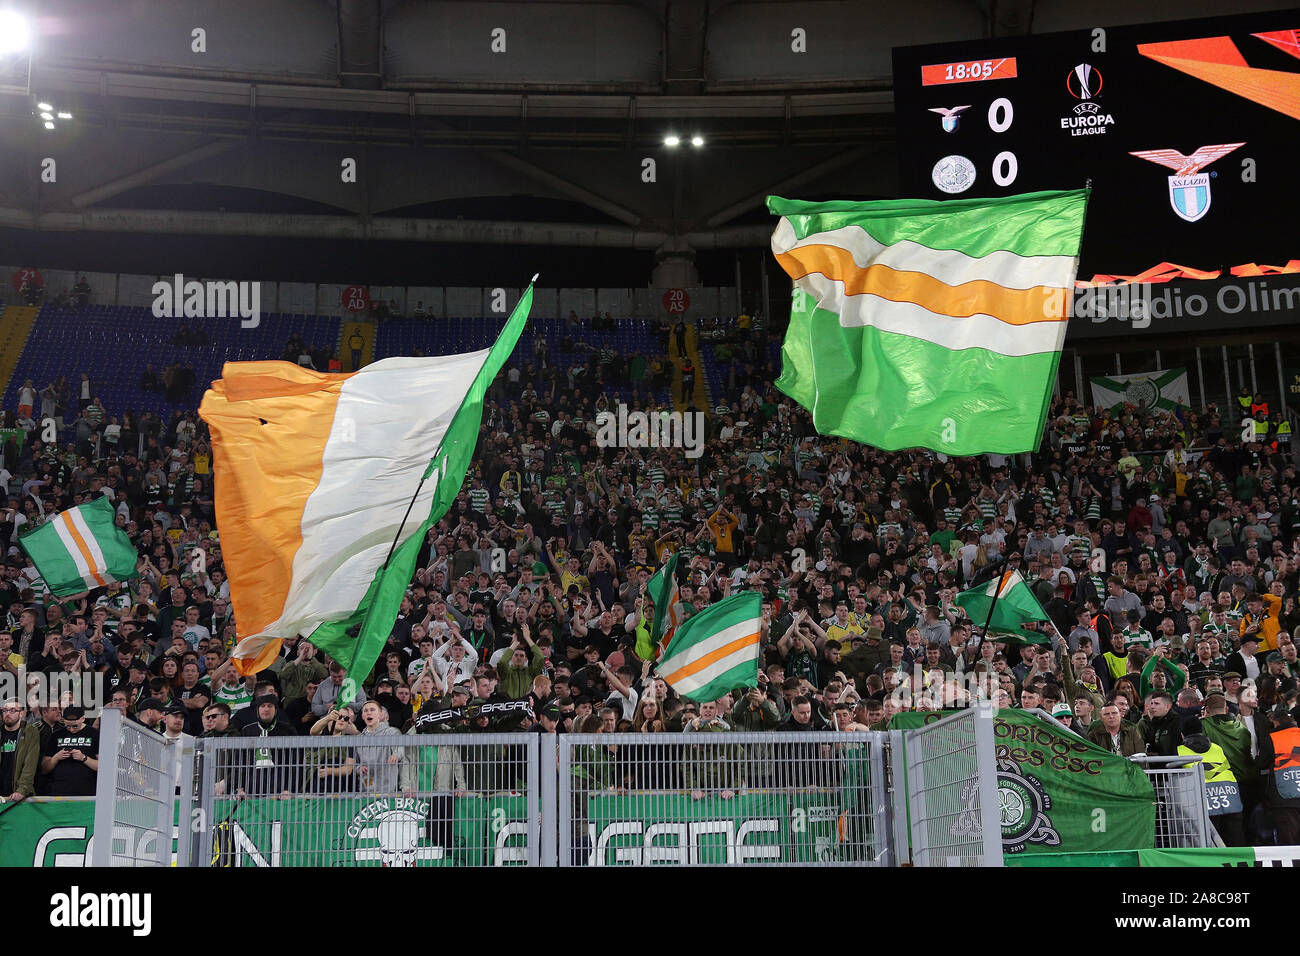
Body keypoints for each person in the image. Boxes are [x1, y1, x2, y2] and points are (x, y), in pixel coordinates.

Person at [38, 705, 99, 796]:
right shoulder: (56, 735)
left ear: (83, 719)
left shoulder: (94, 734)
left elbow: (103, 767)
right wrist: (56, 757)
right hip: (58, 790)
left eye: (75, 726)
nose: (71, 729)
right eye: (67, 726)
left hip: (86, 790)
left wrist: (84, 758)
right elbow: (44, 769)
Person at [0, 697, 40, 801]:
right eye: (5, 710)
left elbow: (30, 765)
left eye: (13, 710)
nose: (7, 713)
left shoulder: (31, 732)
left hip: (18, 793)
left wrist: (22, 790)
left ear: (21, 713)